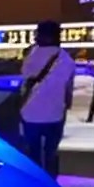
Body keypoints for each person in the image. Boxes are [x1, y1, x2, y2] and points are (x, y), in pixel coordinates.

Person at [19, 20, 75, 177]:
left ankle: (36, 184)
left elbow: (25, 78)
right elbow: (68, 88)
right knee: (51, 152)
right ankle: (52, 183)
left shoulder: (31, 56)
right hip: (56, 113)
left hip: (30, 112)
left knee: (32, 152)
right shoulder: (67, 59)